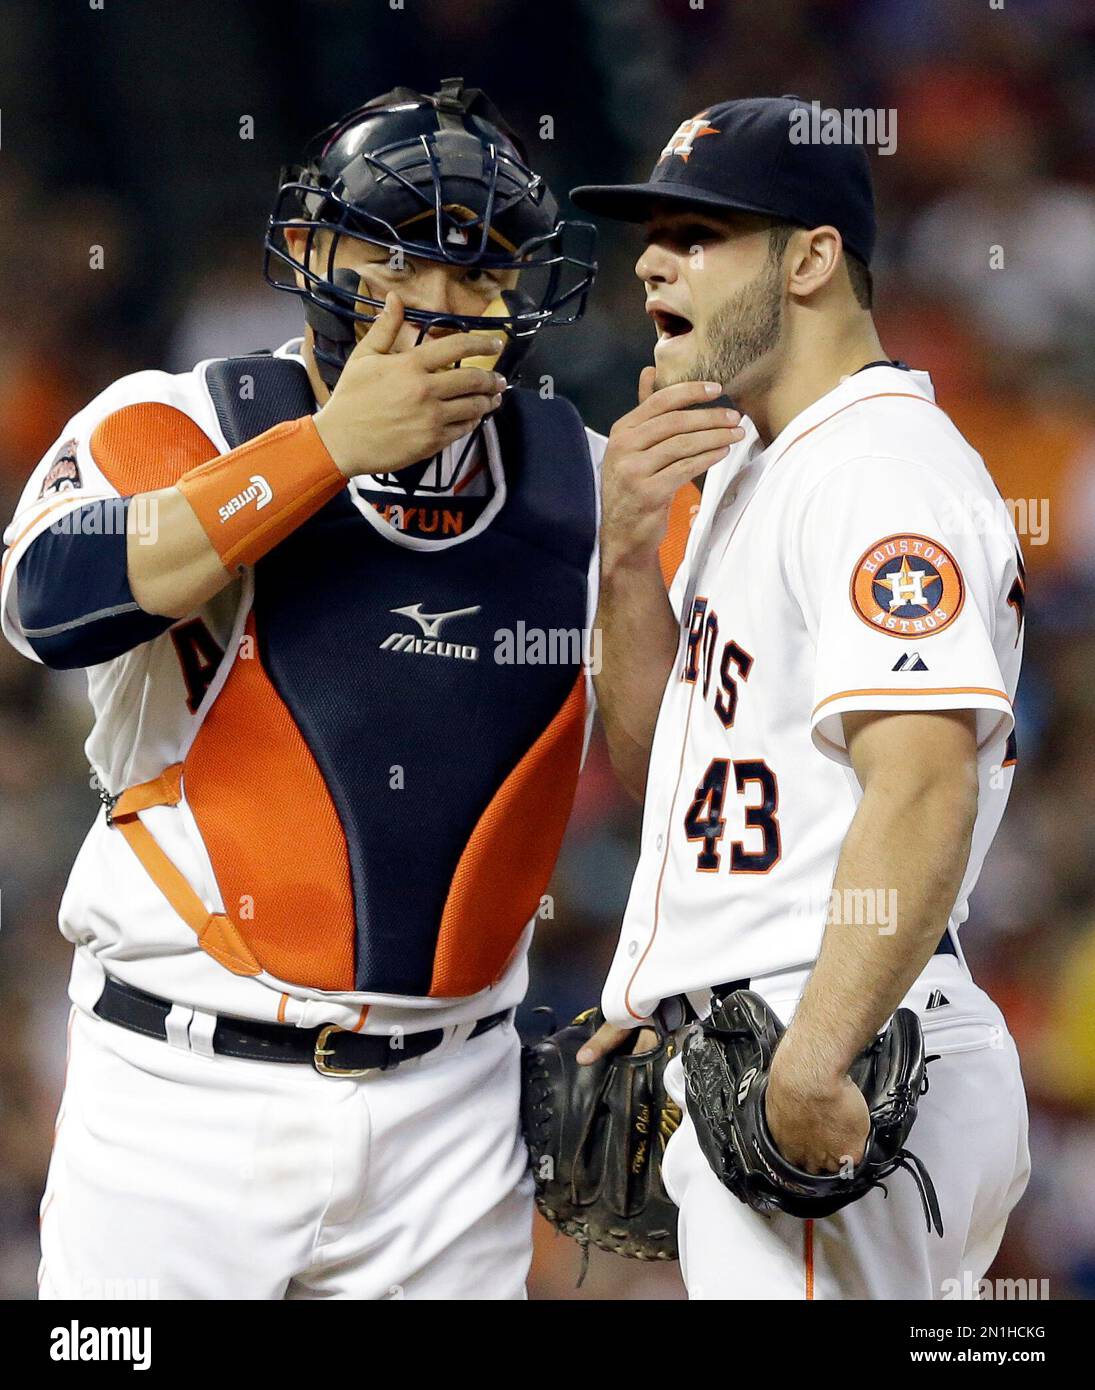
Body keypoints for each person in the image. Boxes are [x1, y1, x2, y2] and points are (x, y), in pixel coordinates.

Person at [1, 78, 601, 1301]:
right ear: (317, 251)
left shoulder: (580, 482)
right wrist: (331, 446)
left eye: (485, 267)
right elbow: (46, 605)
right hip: (180, 1100)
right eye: (407, 254)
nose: (447, 297)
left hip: (457, 1111)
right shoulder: (189, 417)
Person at [570, 96, 1030, 1299]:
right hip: (782, 1016)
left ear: (814, 257)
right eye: (652, 233)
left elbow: (923, 775)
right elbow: (653, 764)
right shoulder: (759, 469)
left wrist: (814, 1057)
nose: (654, 259)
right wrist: (624, 557)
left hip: (840, 1029)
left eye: (701, 230)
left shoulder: (876, 467)